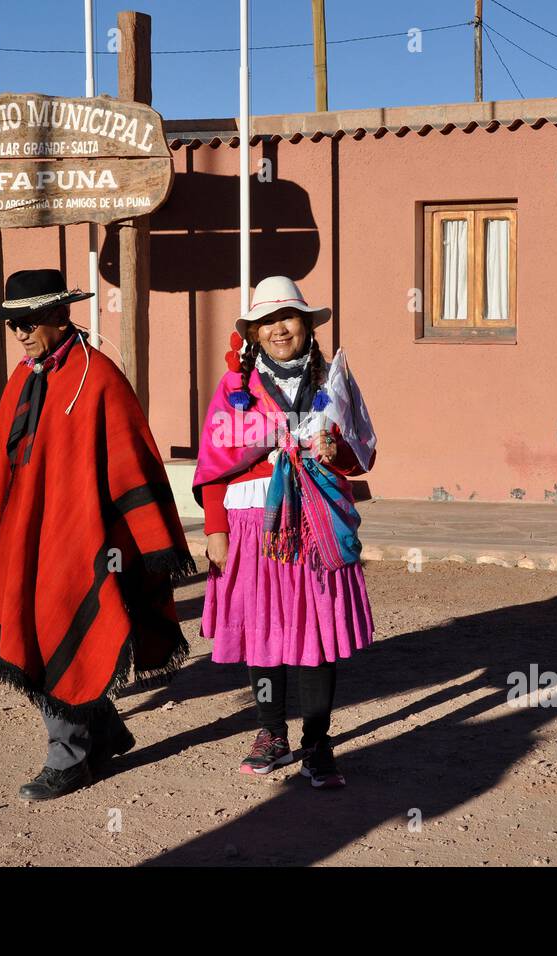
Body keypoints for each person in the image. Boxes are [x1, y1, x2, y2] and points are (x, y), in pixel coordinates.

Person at [0, 269, 194, 801]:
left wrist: (144, 538)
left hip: (83, 542)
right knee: (22, 627)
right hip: (26, 537)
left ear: (59, 315)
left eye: (30, 321)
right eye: (13, 324)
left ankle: (67, 758)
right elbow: (6, 468)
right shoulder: (23, 381)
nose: (22, 332)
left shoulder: (97, 378)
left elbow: (130, 456)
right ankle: (105, 729)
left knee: (54, 631)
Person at [193, 275, 377, 789]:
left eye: (288, 319)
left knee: (316, 635)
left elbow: (363, 452)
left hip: (315, 521)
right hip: (253, 524)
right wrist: (215, 530)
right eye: (268, 321)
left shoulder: (333, 385)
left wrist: (334, 452)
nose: (279, 329)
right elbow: (213, 465)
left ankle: (317, 743)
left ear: (307, 326)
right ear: (253, 333)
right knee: (262, 633)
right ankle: (272, 733)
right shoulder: (236, 391)